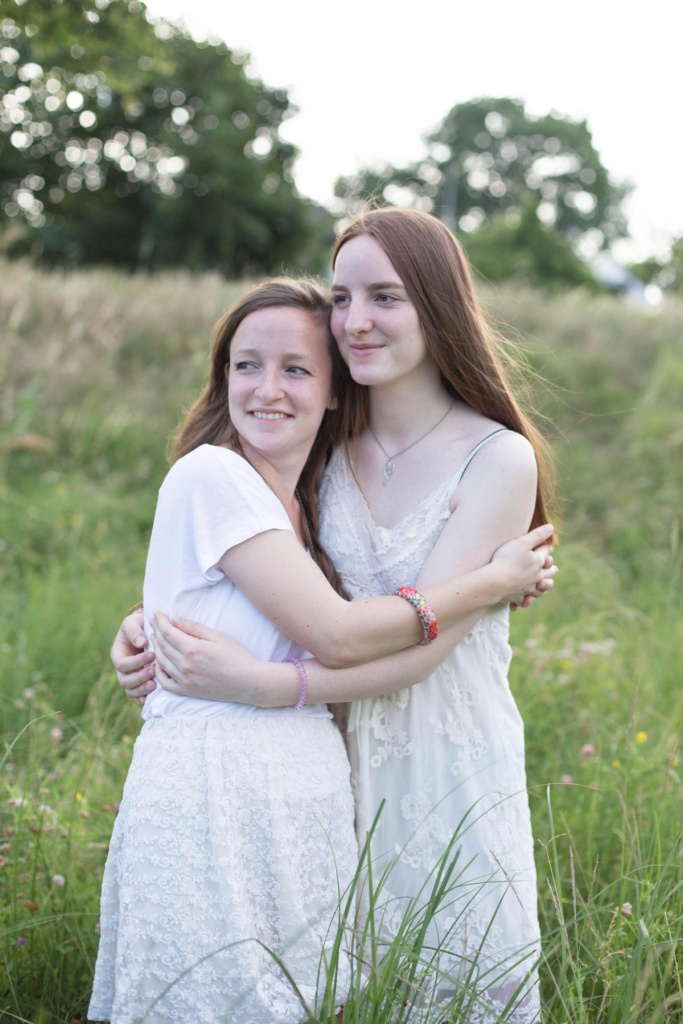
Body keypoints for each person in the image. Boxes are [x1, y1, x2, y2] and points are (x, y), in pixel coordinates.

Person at [112, 208, 558, 1023]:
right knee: (333, 986)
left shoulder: (496, 456)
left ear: (437, 304)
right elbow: (259, 564)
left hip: (440, 751)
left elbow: (421, 656)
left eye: (384, 296)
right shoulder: (324, 438)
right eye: (343, 296)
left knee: (452, 975)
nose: (354, 320)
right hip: (320, 757)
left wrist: (264, 684)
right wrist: (150, 618)